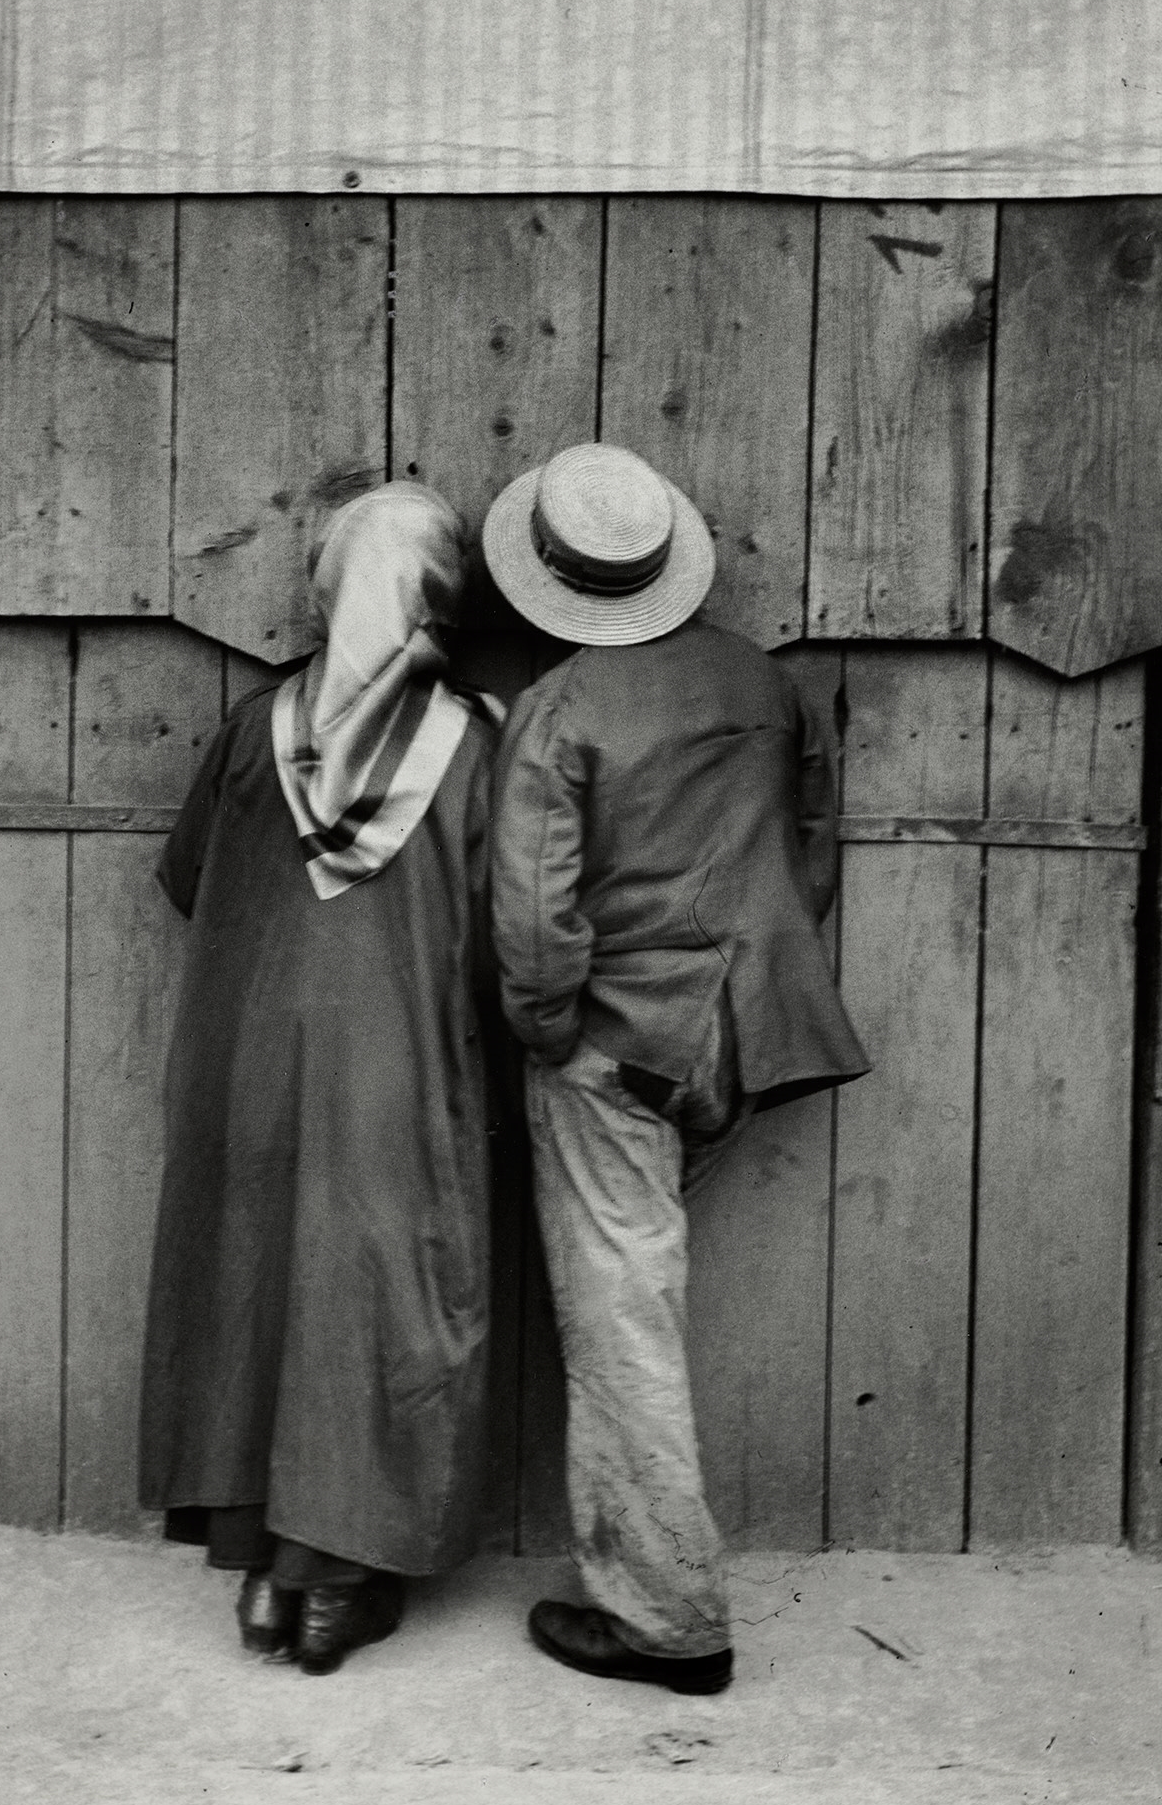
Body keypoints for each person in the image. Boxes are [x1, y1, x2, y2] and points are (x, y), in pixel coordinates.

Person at [483, 444, 869, 1695]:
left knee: (622, 1322)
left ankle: (668, 1621)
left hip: (618, 1043)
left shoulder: (564, 705)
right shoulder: (762, 680)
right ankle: (657, 1592)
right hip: (738, 1037)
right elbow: (811, 853)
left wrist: (552, 1035)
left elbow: (534, 922)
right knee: (640, 1294)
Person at [139, 481, 500, 1676]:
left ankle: (259, 1576)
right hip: (400, 1063)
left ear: (329, 586)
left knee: (256, 1284)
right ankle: (335, 1583)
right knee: (378, 1295)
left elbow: (191, 876)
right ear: (446, 590)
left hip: (249, 1065)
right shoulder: (479, 741)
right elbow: (513, 923)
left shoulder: (256, 728)